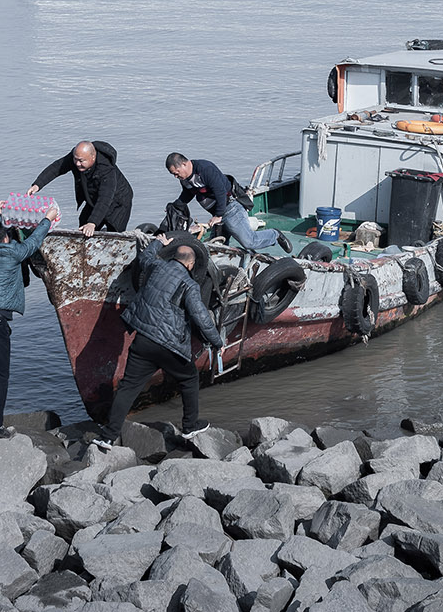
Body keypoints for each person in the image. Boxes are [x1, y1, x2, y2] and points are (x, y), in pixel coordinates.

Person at [94, 232, 223, 443]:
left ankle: (107, 437)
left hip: (143, 340)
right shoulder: (190, 285)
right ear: (190, 265)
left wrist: (158, 242)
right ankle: (190, 426)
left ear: (173, 257)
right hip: (169, 346)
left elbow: (144, 257)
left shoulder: (157, 266)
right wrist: (218, 342)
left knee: (128, 388)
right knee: (189, 379)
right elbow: (201, 317)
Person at [0, 205, 59, 438]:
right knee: (0, 376)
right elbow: (34, 240)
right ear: (6, 239)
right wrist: (47, 218)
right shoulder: (13, 252)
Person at [165, 153, 278, 251]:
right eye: (173, 174)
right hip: (217, 213)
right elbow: (188, 194)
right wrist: (175, 206)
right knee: (217, 246)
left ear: (184, 164)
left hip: (231, 207)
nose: (176, 176)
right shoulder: (184, 180)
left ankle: (275, 235)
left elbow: (220, 191)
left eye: (176, 172)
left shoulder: (205, 169)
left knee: (249, 242)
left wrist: (219, 215)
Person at [27, 140, 132, 237]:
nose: (77, 164)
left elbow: (105, 198)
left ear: (93, 157)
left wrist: (93, 223)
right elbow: (57, 167)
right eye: (75, 159)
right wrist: (38, 184)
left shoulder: (106, 169)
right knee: (83, 225)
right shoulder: (77, 156)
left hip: (118, 201)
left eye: (81, 161)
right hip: (93, 198)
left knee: (113, 234)